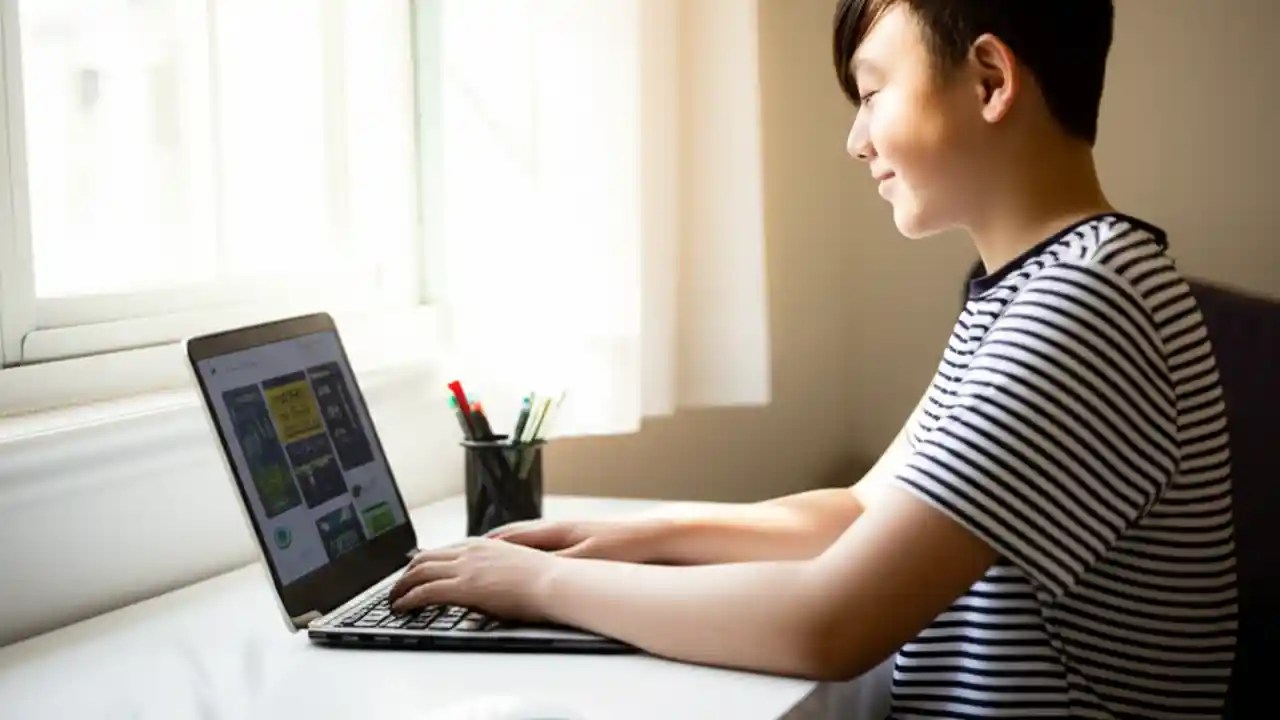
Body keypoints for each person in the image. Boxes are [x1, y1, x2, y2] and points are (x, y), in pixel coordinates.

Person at [390, 1, 1238, 716]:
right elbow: (864, 509)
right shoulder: (1039, 286)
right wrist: (623, 538)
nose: (856, 141)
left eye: (871, 94)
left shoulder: (1087, 301)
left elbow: (828, 625)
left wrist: (539, 589)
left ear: (989, 80)